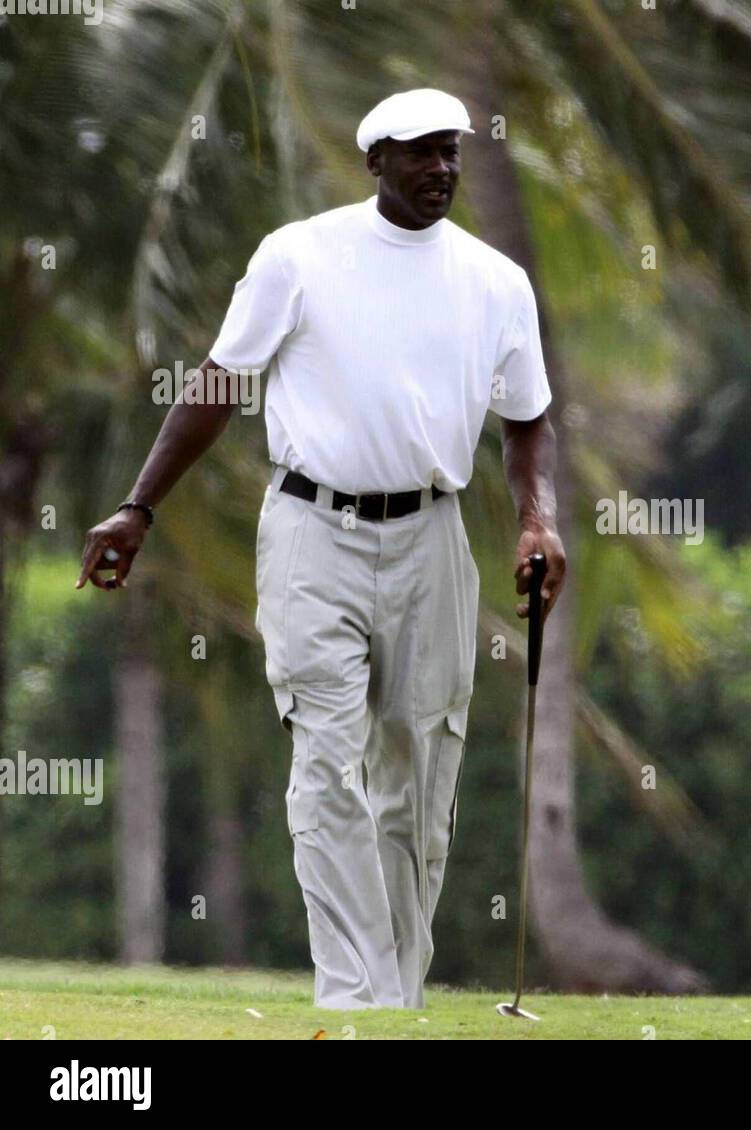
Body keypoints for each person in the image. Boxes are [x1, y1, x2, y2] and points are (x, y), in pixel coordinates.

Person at [76, 88, 566, 1009]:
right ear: (375, 161)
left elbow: (528, 422)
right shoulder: (298, 255)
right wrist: (138, 508)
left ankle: (396, 999)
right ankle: (355, 998)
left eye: (452, 152)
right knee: (327, 762)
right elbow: (218, 385)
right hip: (312, 532)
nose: (442, 170)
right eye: (421, 153)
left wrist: (538, 519)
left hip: (433, 537)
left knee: (421, 773)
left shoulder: (496, 280)